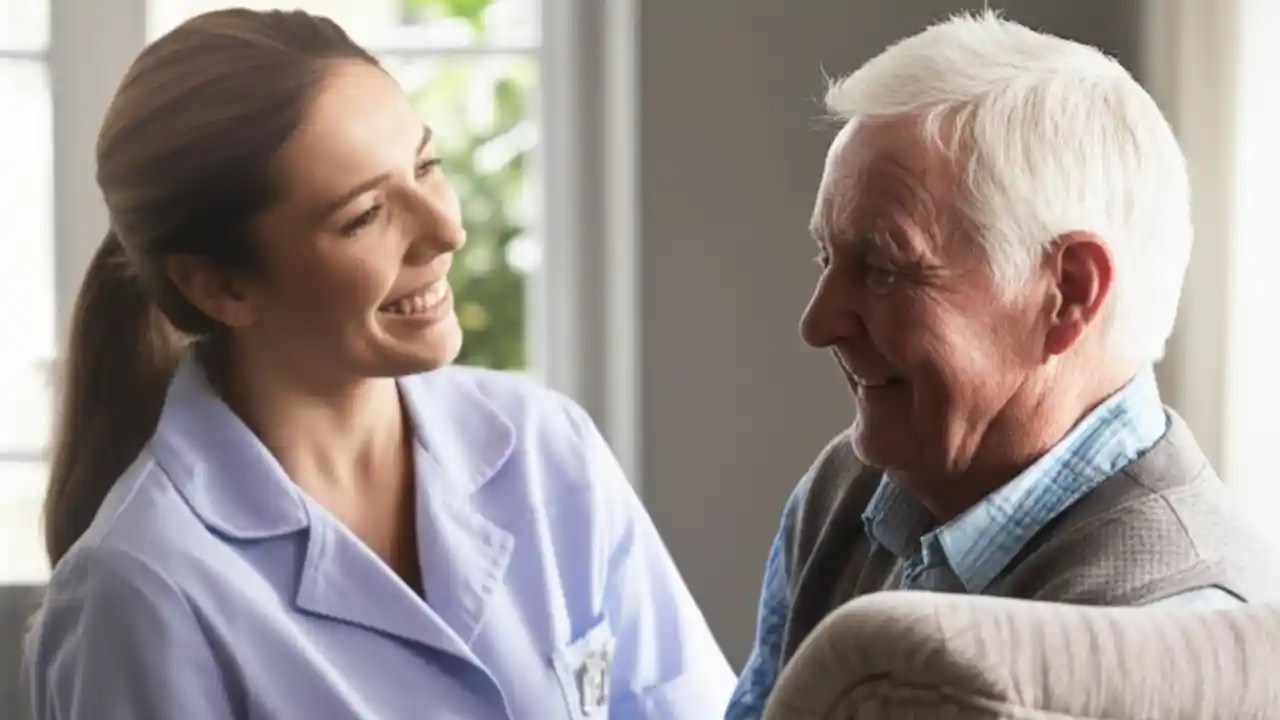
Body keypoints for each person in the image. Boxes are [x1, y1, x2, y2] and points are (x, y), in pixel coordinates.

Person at [21, 9, 733, 719]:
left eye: (426, 166)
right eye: (364, 215)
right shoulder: (142, 590)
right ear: (221, 286)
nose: (445, 229)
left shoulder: (548, 447)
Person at [726, 11, 1280, 718]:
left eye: (887, 269)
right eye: (827, 257)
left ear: (1067, 294)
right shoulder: (848, 493)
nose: (817, 323)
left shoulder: (1177, 638)